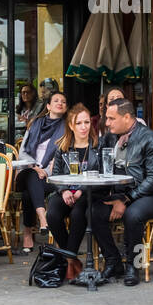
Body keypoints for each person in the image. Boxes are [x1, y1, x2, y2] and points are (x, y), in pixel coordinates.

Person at [93, 99, 153, 286]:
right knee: (92, 211)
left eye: (111, 118)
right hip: (122, 193)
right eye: (106, 118)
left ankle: (134, 265)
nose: (107, 123)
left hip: (151, 196)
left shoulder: (150, 138)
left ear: (127, 117)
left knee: (133, 216)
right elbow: (100, 168)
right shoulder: (110, 137)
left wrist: (126, 199)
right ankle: (113, 261)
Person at [15, 90, 67, 251]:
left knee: (28, 193)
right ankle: (43, 221)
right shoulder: (35, 124)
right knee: (32, 175)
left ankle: (28, 233)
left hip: (50, 177)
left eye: (63, 102)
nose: (60, 103)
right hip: (27, 169)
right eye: (56, 101)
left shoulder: (67, 128)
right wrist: (36, 168)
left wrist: (45, 171)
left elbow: (63, 156)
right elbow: (23, 152)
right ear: (48, 106)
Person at [45, 103, 100, 255]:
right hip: (65, 191)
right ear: (71, 125)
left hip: (88, 193)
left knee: (77, 214)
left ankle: (69, 259)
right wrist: (64, 191)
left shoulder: (97, 146)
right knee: (52, 215)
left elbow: (101, 173)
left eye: (87, 122)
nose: (83, 127)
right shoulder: (63, 147)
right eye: (79, 123)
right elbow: (55, 175)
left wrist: (81, 190)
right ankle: (70, 256)